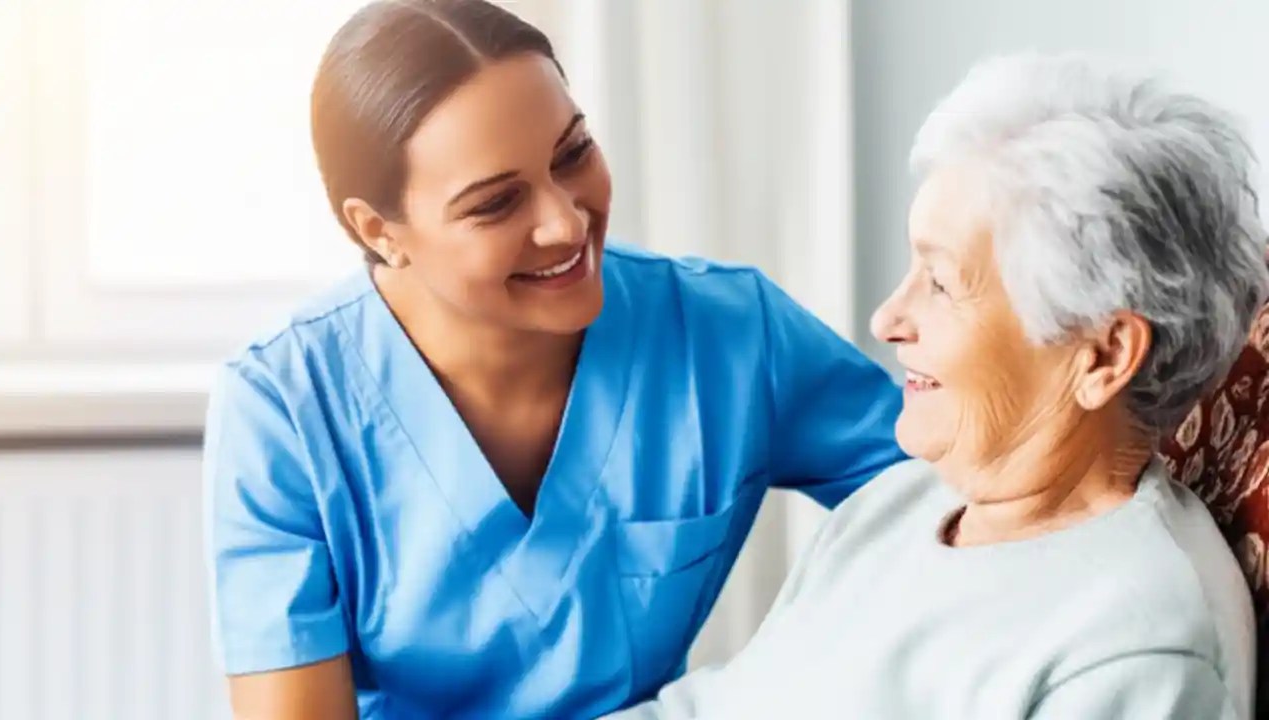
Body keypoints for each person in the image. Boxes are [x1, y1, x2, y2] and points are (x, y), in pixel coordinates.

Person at [201, 1, 905, 717]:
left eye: (573, 155)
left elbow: (966, 495)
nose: (566, 222)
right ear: (380, 231)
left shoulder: (729, 335)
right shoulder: (283, 411)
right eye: (496, 203)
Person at [607, 53, 1266, 720]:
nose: (887, 319)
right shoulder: (901, 501)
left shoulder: (1137, 648)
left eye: (942, 284)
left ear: (1102, 355)